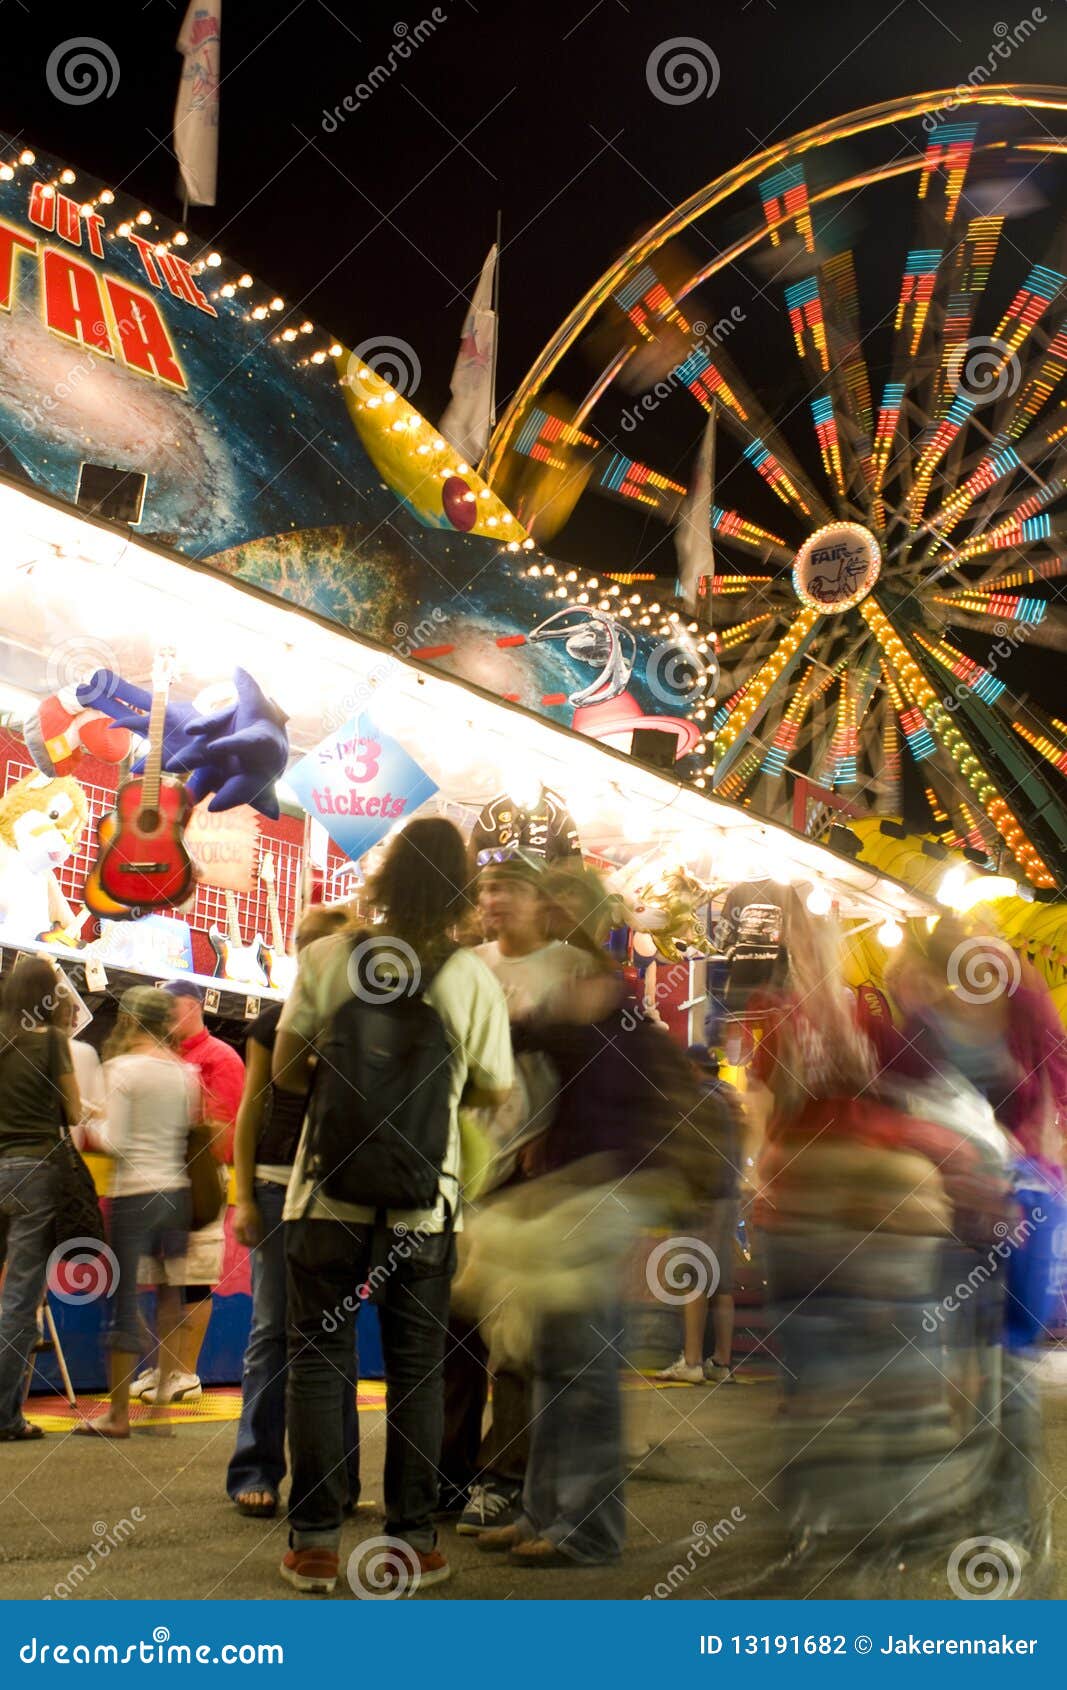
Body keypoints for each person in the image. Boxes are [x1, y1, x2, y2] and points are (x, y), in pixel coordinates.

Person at [275, 818, 512, 1595]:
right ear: (461, 888)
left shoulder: (325, 957)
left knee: (318, 1362)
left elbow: (283, 1073)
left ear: (383, 877)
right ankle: (412, 1541)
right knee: (415, 1374)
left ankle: (311, 1541)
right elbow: (493, 1089)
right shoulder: (470, 976)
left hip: (325, 1196)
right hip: (424, 1208)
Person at [441, 853, 598, 1537]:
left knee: (513, 1340)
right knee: (452, 1331)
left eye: (509, 888)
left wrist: (560, 1137)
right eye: (486, 888)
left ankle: (502, 1476)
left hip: (528, 1177)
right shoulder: (464, 965)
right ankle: (443, 1475)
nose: (494, 899)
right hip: (460, 1167)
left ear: (541, 900)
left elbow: (594, 1069)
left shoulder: (570, 969)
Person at [226, 902, 360, 1518]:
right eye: (321, 952)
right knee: (273, 1330)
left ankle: (335, 1481)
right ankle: (256, 1468)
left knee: (335, 1336)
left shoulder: (365, 1029)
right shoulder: (272, 1026)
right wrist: (243, 1195)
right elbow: (251, 1111)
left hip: (344, 1192)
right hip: (280, 1185)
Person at [75, 988, 199, 1439]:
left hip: (134, 1194)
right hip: (177, 1192)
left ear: (128, 1019)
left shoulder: (121, 1069)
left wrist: (90, 1121)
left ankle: (119, 1415)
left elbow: (118, 1142)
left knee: (124, 1299)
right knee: (170, 1299)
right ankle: (162, 1411)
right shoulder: (185, 1073)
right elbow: (185, 1131)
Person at [127, 980, 244, 1405]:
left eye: (169, 1005)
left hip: (199, 1179)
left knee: (194, 1277)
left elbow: (223, 1129)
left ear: (192, 1006)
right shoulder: (166, 1056)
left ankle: (186, 1373)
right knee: (166, 1279)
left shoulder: (221, 1057)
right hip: (162, 1175)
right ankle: (165, 1368)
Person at [0, 957, 81, 1441]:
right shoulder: (50, 1042)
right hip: (33, 1169)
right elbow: (71, 1109)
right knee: (19, 1300)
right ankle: (5, 1418)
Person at [655, 1045, 744, 1384]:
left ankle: (691, 1362)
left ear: (693, 1067)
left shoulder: (700, 1101)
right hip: (727, 1198)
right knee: (720, 1285)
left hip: (704, 1199)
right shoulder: (729, 1099)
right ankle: (720, 1363)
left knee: (693, 1279)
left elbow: (696, 1154)